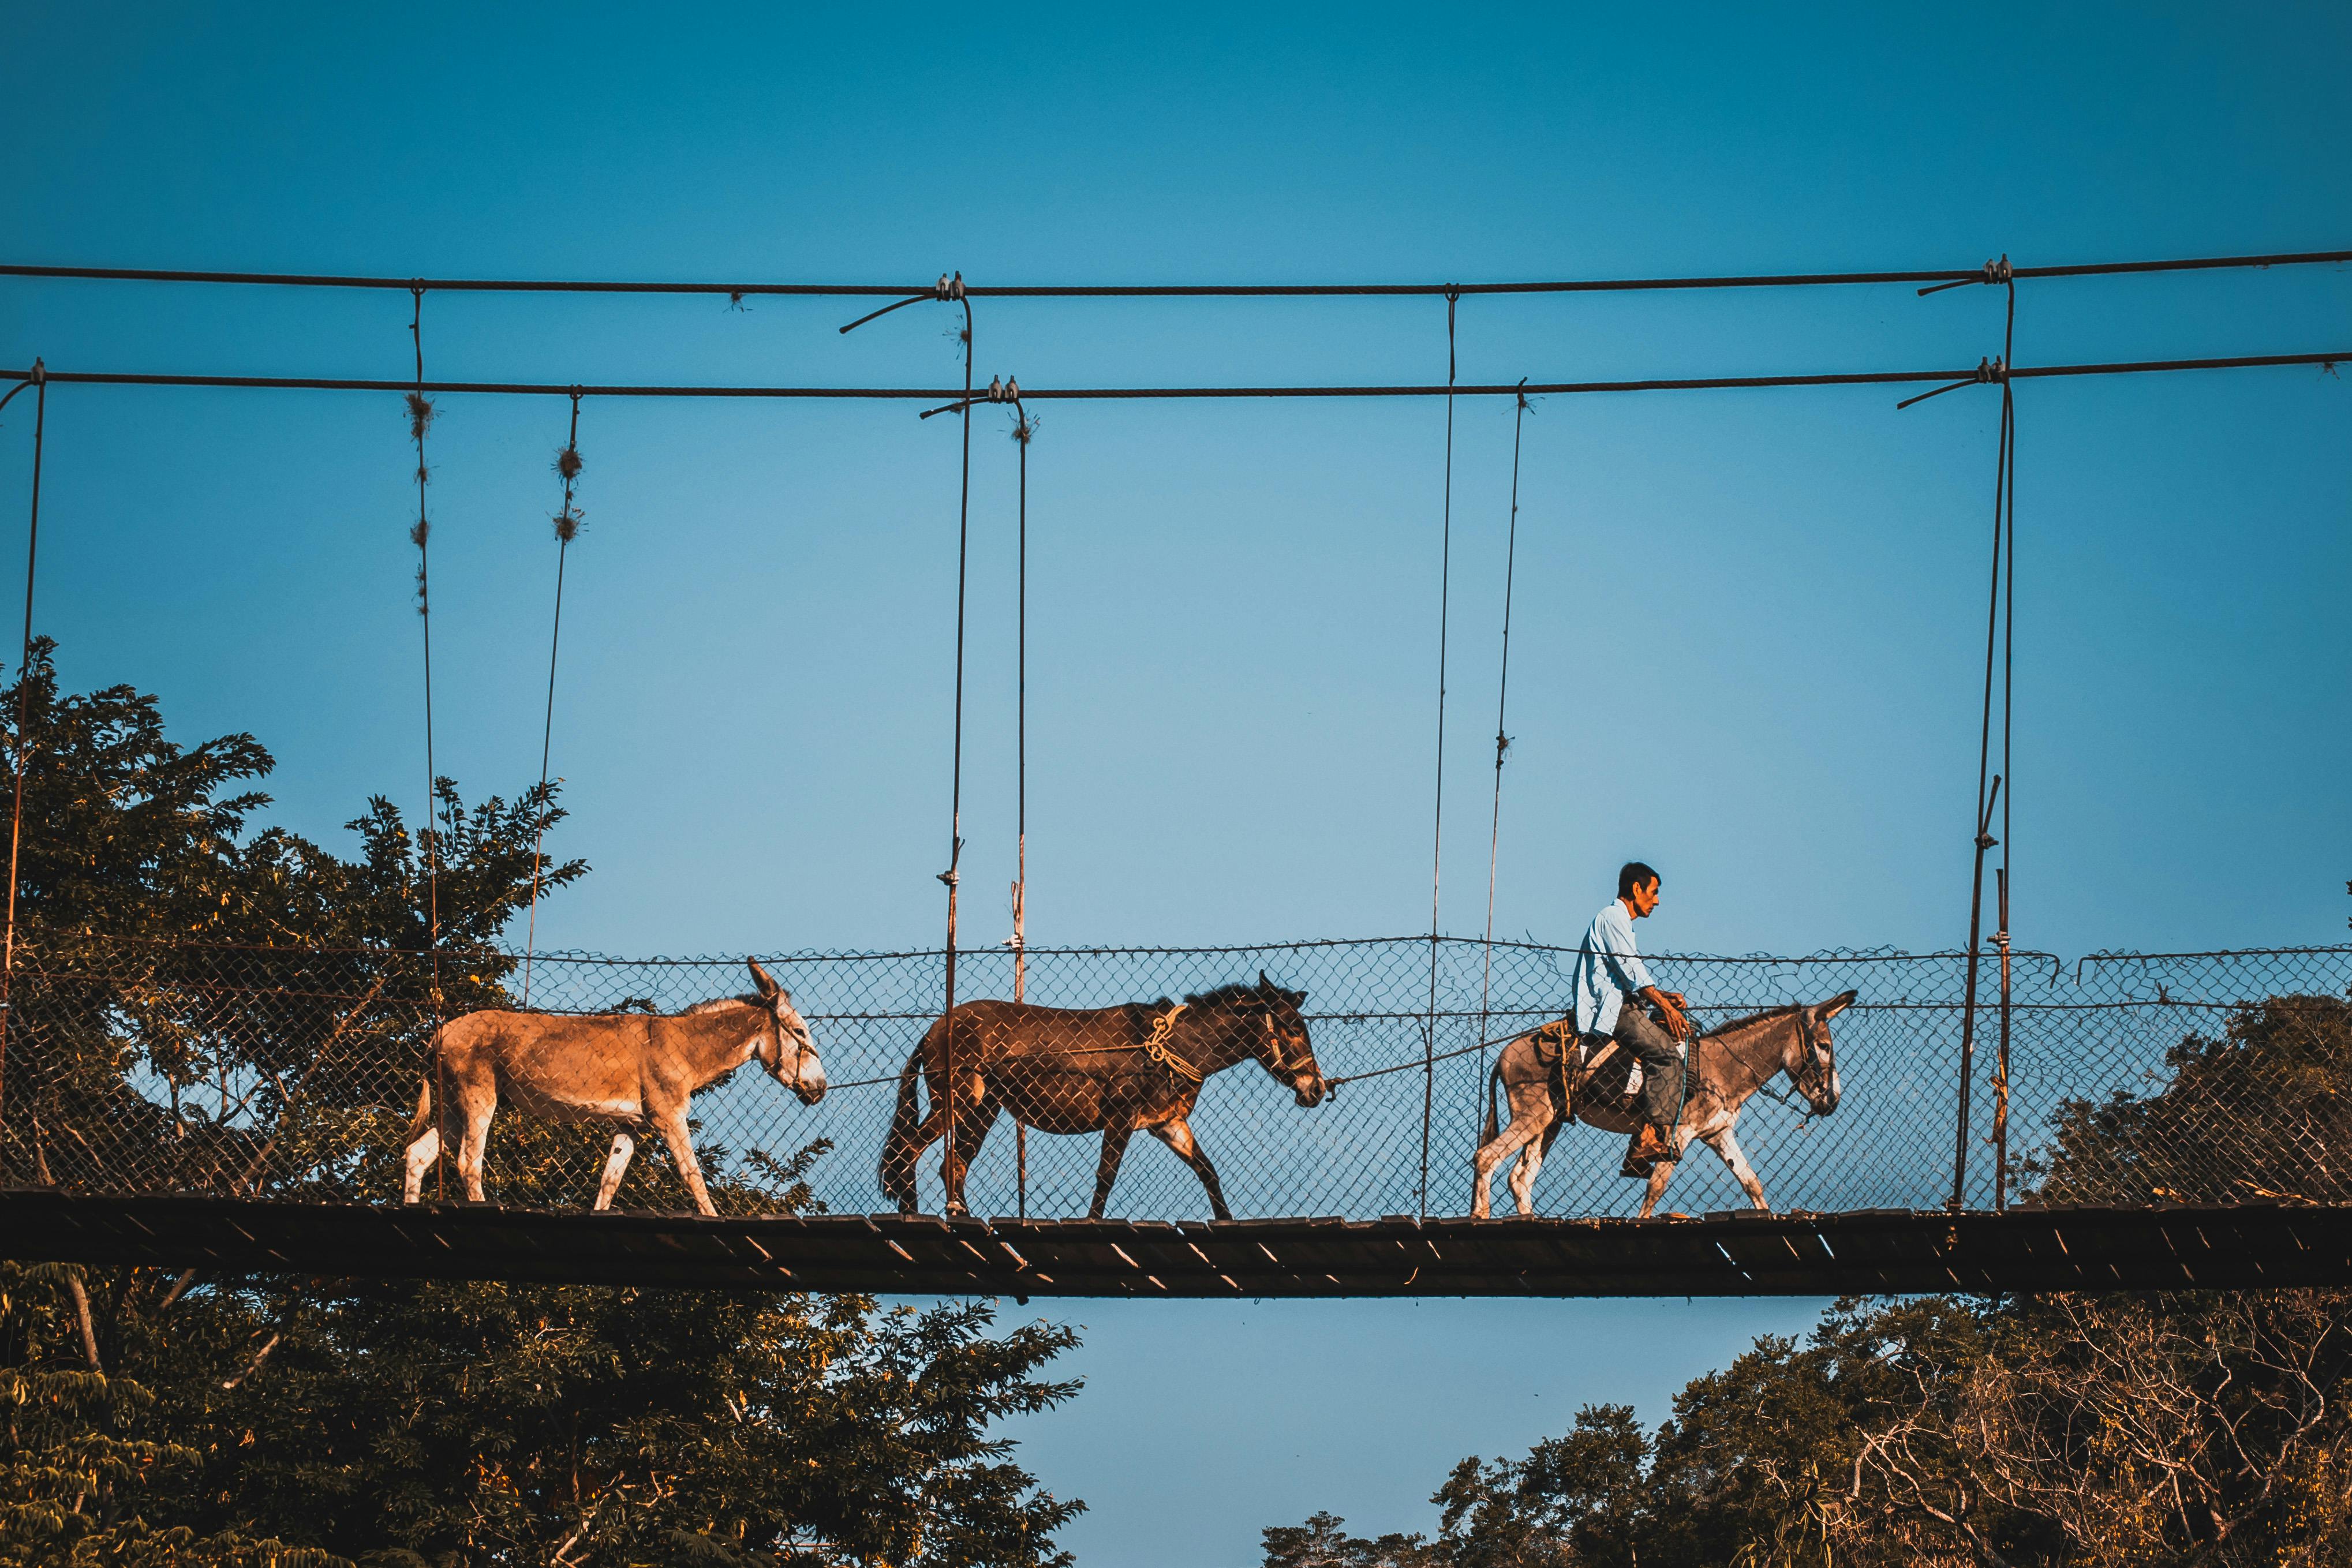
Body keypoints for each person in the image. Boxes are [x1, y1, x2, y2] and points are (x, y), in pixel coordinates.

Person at [1569, 861, 1691, 1177]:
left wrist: (1664, 996)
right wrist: (1664, 1005)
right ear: (1637, 889)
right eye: (1654, 892)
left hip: (1624, 1001)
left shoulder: (1621, 921)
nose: (1658, 900)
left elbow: (1625, 975)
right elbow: (1632, 970)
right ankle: (1649, 1141)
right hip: (1613, 1010)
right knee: (1666, 1055)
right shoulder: (1613, 917)